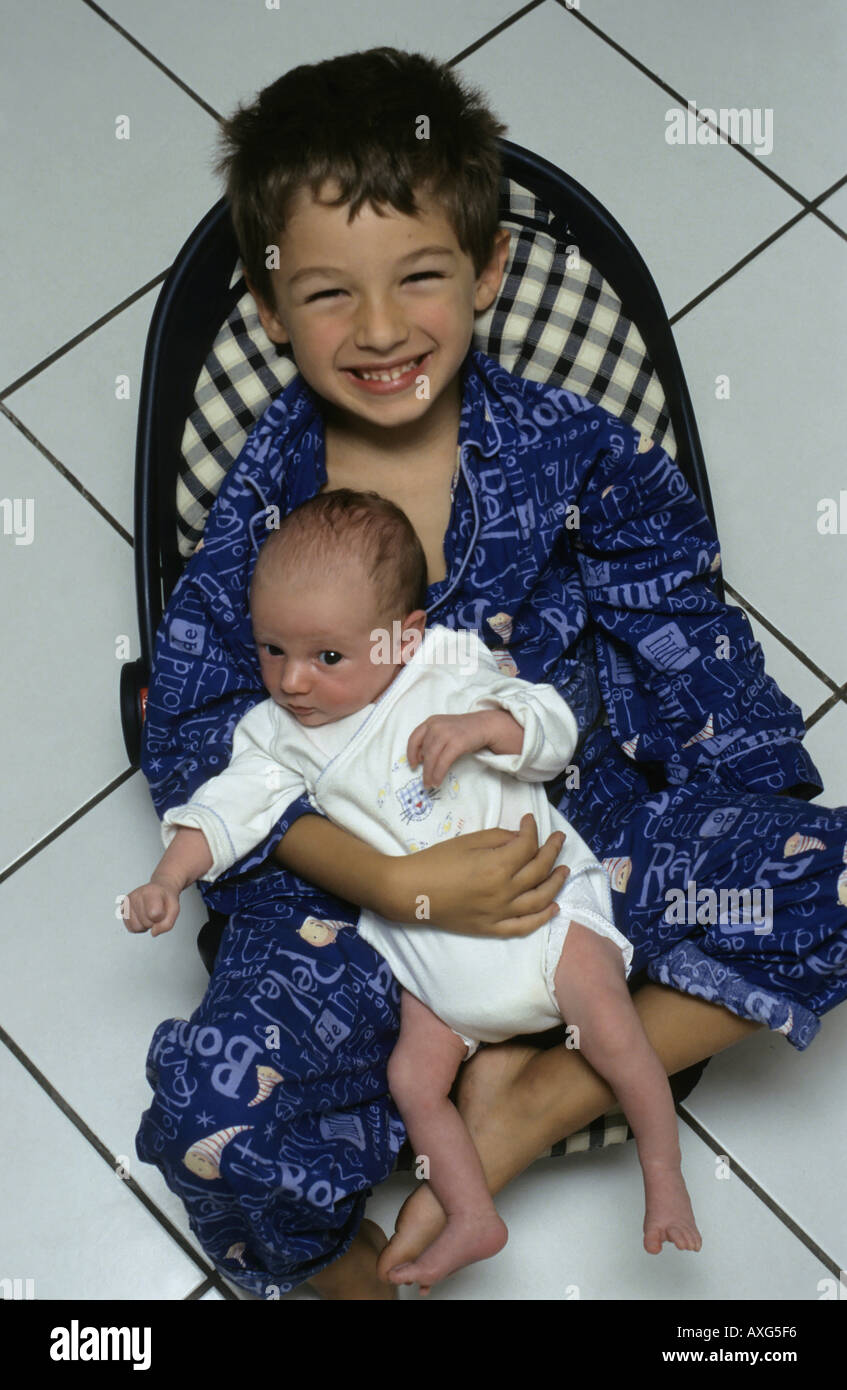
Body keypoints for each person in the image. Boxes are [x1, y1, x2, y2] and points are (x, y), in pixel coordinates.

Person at [133, 47, 847, 1301]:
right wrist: (392, 884)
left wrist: (745, 798)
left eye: (419, 277)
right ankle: (367, 1280)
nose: (379, 330)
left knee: (825, 879)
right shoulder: (260, 514)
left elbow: (676, 612)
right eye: (328, 295)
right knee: (209, 1123)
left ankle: (536, 1095)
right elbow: (195, 735)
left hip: (577, 841)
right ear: (269, 307)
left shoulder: (570, 449)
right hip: (357, 906)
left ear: (488, 271)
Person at [126, 491, 703, 1292]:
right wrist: (168, 876)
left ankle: (663, 1171)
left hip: (543, 917)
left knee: (612, 1029)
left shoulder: (446, 668)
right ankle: (470, 1214)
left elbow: (549, 727)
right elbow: (226, 811)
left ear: (402, 636)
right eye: (271, 649)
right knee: (411, 1082)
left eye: (327, 656)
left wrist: (485, 729)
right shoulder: (275, 736)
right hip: (432, 969)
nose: (292, 680)